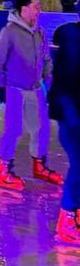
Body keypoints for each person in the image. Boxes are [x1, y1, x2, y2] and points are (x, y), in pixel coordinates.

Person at [0, 0, 63, 190]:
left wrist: (51, 88)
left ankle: (39, 165)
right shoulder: (10, 31)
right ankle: (3, 170)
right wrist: (0, 85)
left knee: (41, 128)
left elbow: (46, 60)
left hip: (34, 88)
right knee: (13, 129)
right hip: (14, 88)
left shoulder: (39, 32)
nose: (39, 10)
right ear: (24, 9)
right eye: (36, 6)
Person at [50, 18, 80, 243]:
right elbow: (66, 83)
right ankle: (67, 222)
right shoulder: (72, 39)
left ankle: (73, 214)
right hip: (72, 116)